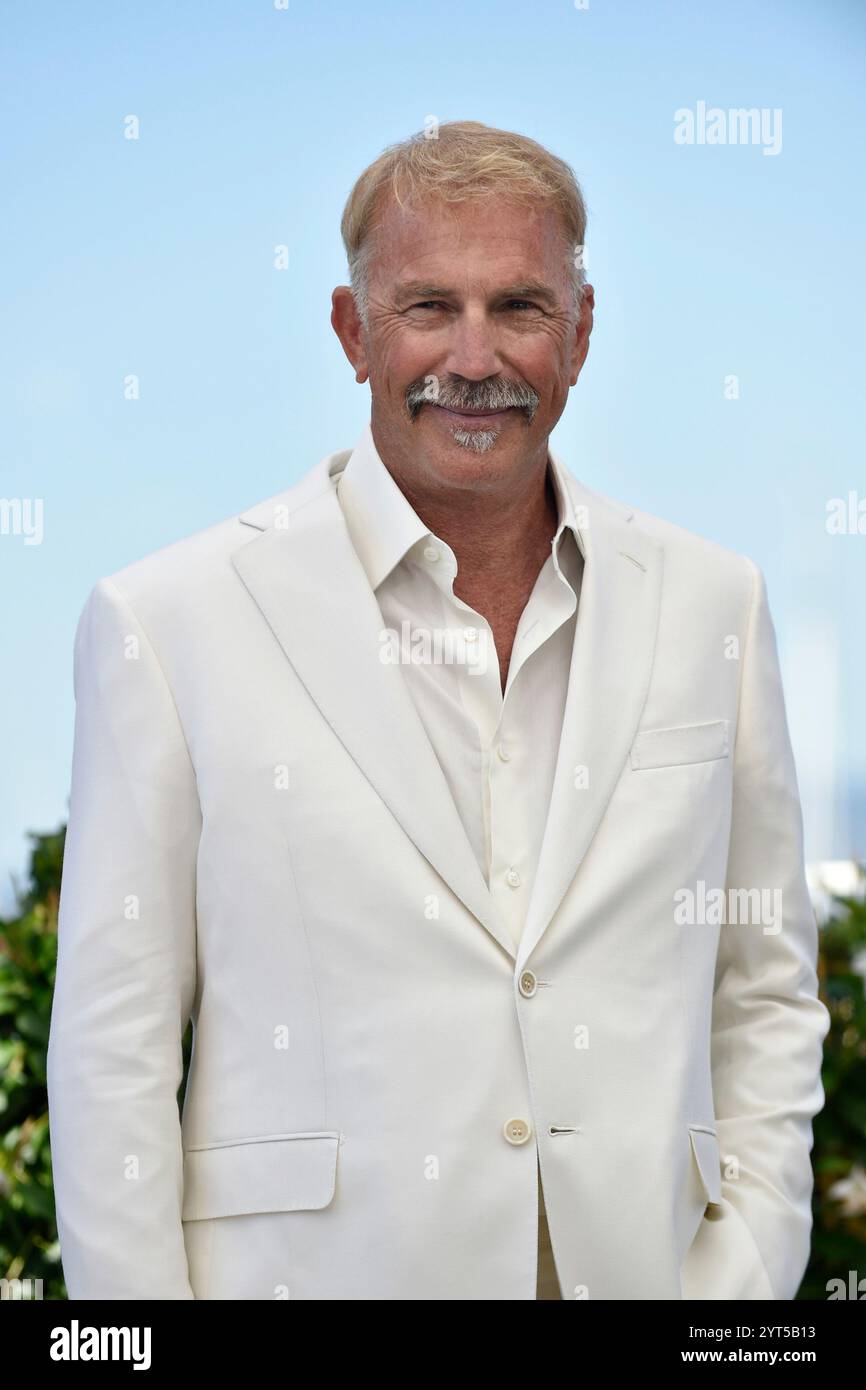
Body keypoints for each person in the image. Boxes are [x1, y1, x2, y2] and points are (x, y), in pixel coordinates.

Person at [47, 120, 829, 1300]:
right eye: (426, 308)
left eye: (517, 306)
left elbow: (764, 988)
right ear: (351, 333)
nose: (473, 358)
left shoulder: (715, 601)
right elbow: (113, 1051)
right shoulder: (167, 622)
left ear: (580, 331)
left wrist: (741, 1284)